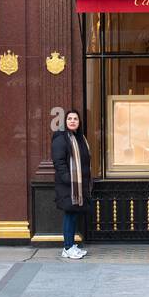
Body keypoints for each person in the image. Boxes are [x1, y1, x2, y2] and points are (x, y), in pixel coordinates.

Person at [51, 109, 93, 260]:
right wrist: (68, 178)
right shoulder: (61, 138)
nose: (73, 121)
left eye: (75, 118)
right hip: (68, 185)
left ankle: (70, 245)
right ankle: (67, 247)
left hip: (78, 185)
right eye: (70, 118)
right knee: (69, 215)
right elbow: (59, 162)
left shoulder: (79, 138)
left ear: (79, 122)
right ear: (65, 121)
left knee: (74, 215)